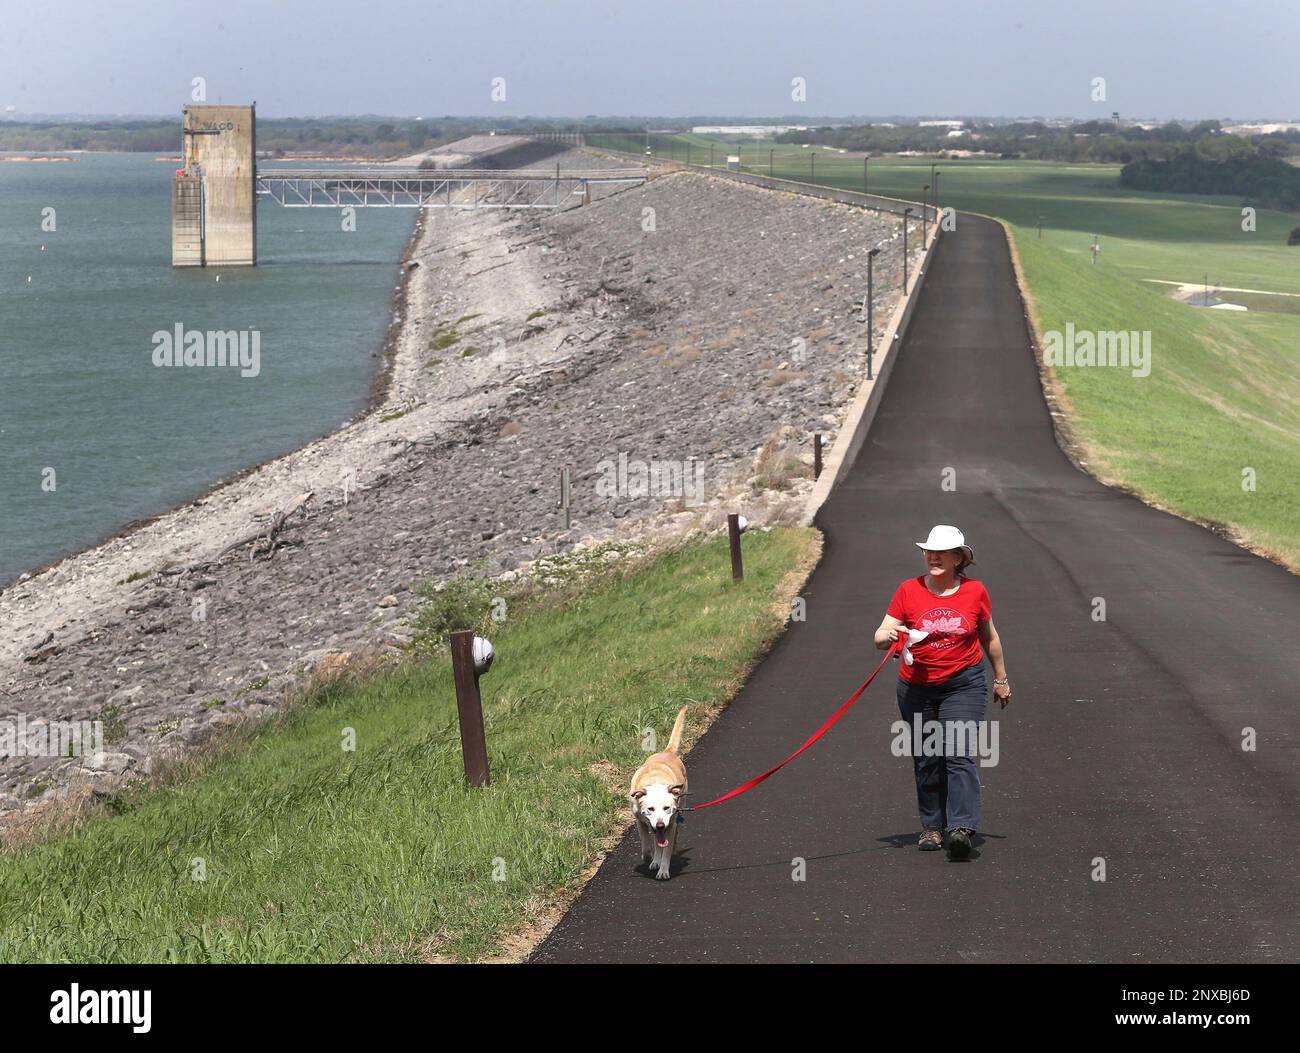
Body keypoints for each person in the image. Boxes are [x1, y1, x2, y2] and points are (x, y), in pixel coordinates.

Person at [873, 525, 1011, 859]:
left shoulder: (975, 592)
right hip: (916, 687)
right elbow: (880, 634)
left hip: (963, 683)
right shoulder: (908, 590)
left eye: (942, 553)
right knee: (927, 757)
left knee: (958, 754)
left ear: (958, 558)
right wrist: (889, 636)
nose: (933, 557)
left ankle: (961, 828)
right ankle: (933, 827)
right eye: (929, 552)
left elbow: (989, 637)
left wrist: (1001, 679)